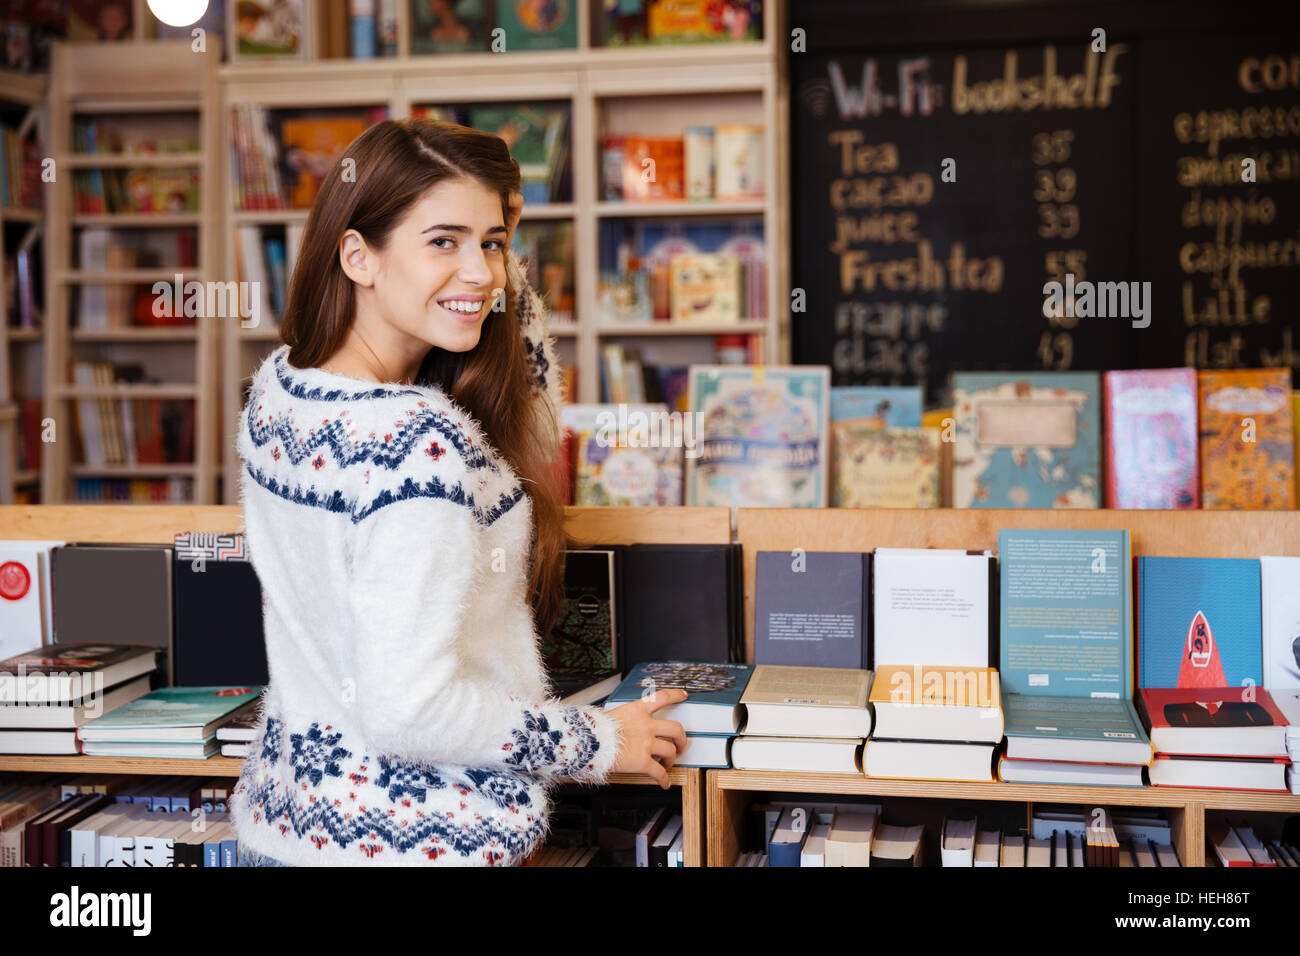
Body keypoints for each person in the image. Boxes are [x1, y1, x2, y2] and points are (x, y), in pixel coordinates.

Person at [230, 118, 687, 866]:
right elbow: (413, 709)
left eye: (492, 244)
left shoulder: (281, 394)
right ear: (359, 256)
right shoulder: (415, 446)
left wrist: (493, 248)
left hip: (292, 828)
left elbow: (526, 417)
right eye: (442, 242)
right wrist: (604, 742)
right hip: (410, 844)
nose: (482, 274)